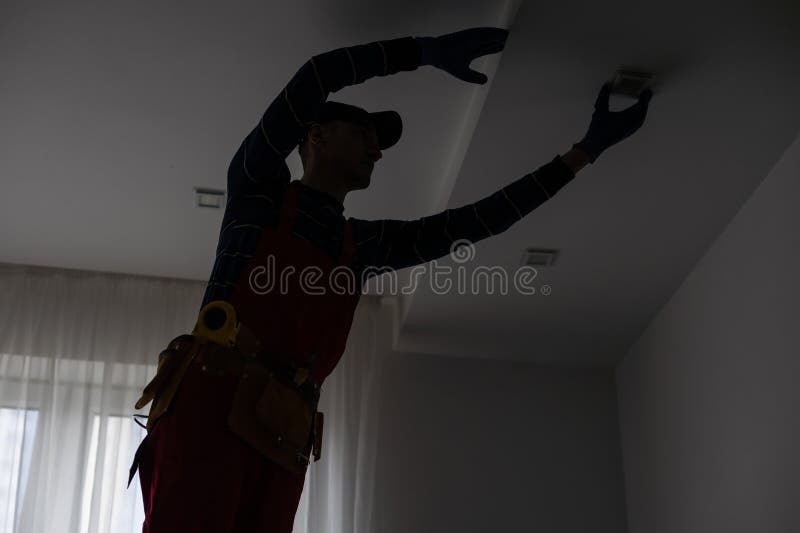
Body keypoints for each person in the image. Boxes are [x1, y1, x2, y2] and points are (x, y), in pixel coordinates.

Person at [128, 27, 652, 532]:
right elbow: (317, 75)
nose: (376, 151)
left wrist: (584, 153)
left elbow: (479, 221)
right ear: (315, 135)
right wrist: (421, 50)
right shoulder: (257, 189)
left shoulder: (361, 246)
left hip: (283, 430)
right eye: (363, 135)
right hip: (214, 395)